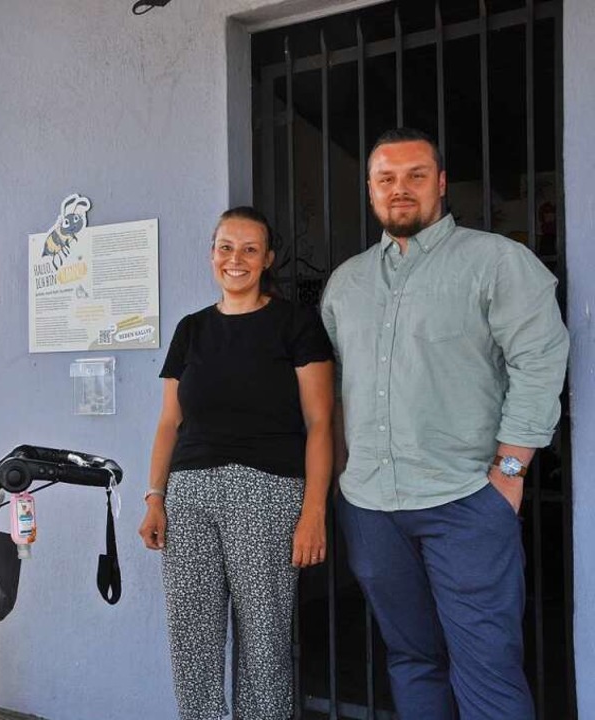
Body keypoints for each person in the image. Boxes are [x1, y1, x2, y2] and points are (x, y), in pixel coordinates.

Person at [320, 127, 570, 720]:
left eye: (415, 175)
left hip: (465, 500)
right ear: (371, 189)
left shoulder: (496, 261)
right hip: (370, 506)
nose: (399, 189)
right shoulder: (345, 282)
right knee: (411, 660)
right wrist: (340, 480)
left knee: (487, 666)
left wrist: (510, 472)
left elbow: (539, 362)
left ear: (441, 183)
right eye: (386, 178)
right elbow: (335, 386)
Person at [138, 207, 334, 720]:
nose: (236, 259)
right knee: (192, 638)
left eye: (250, 249)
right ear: (212, 255)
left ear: (268, 259)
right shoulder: (191, 329)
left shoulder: (296, 324)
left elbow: (320, 423)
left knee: (264, 641)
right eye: (226, 247)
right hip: (189, 496)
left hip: (267, 493)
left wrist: (314, 511)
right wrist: (155, 497)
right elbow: (169, 423)